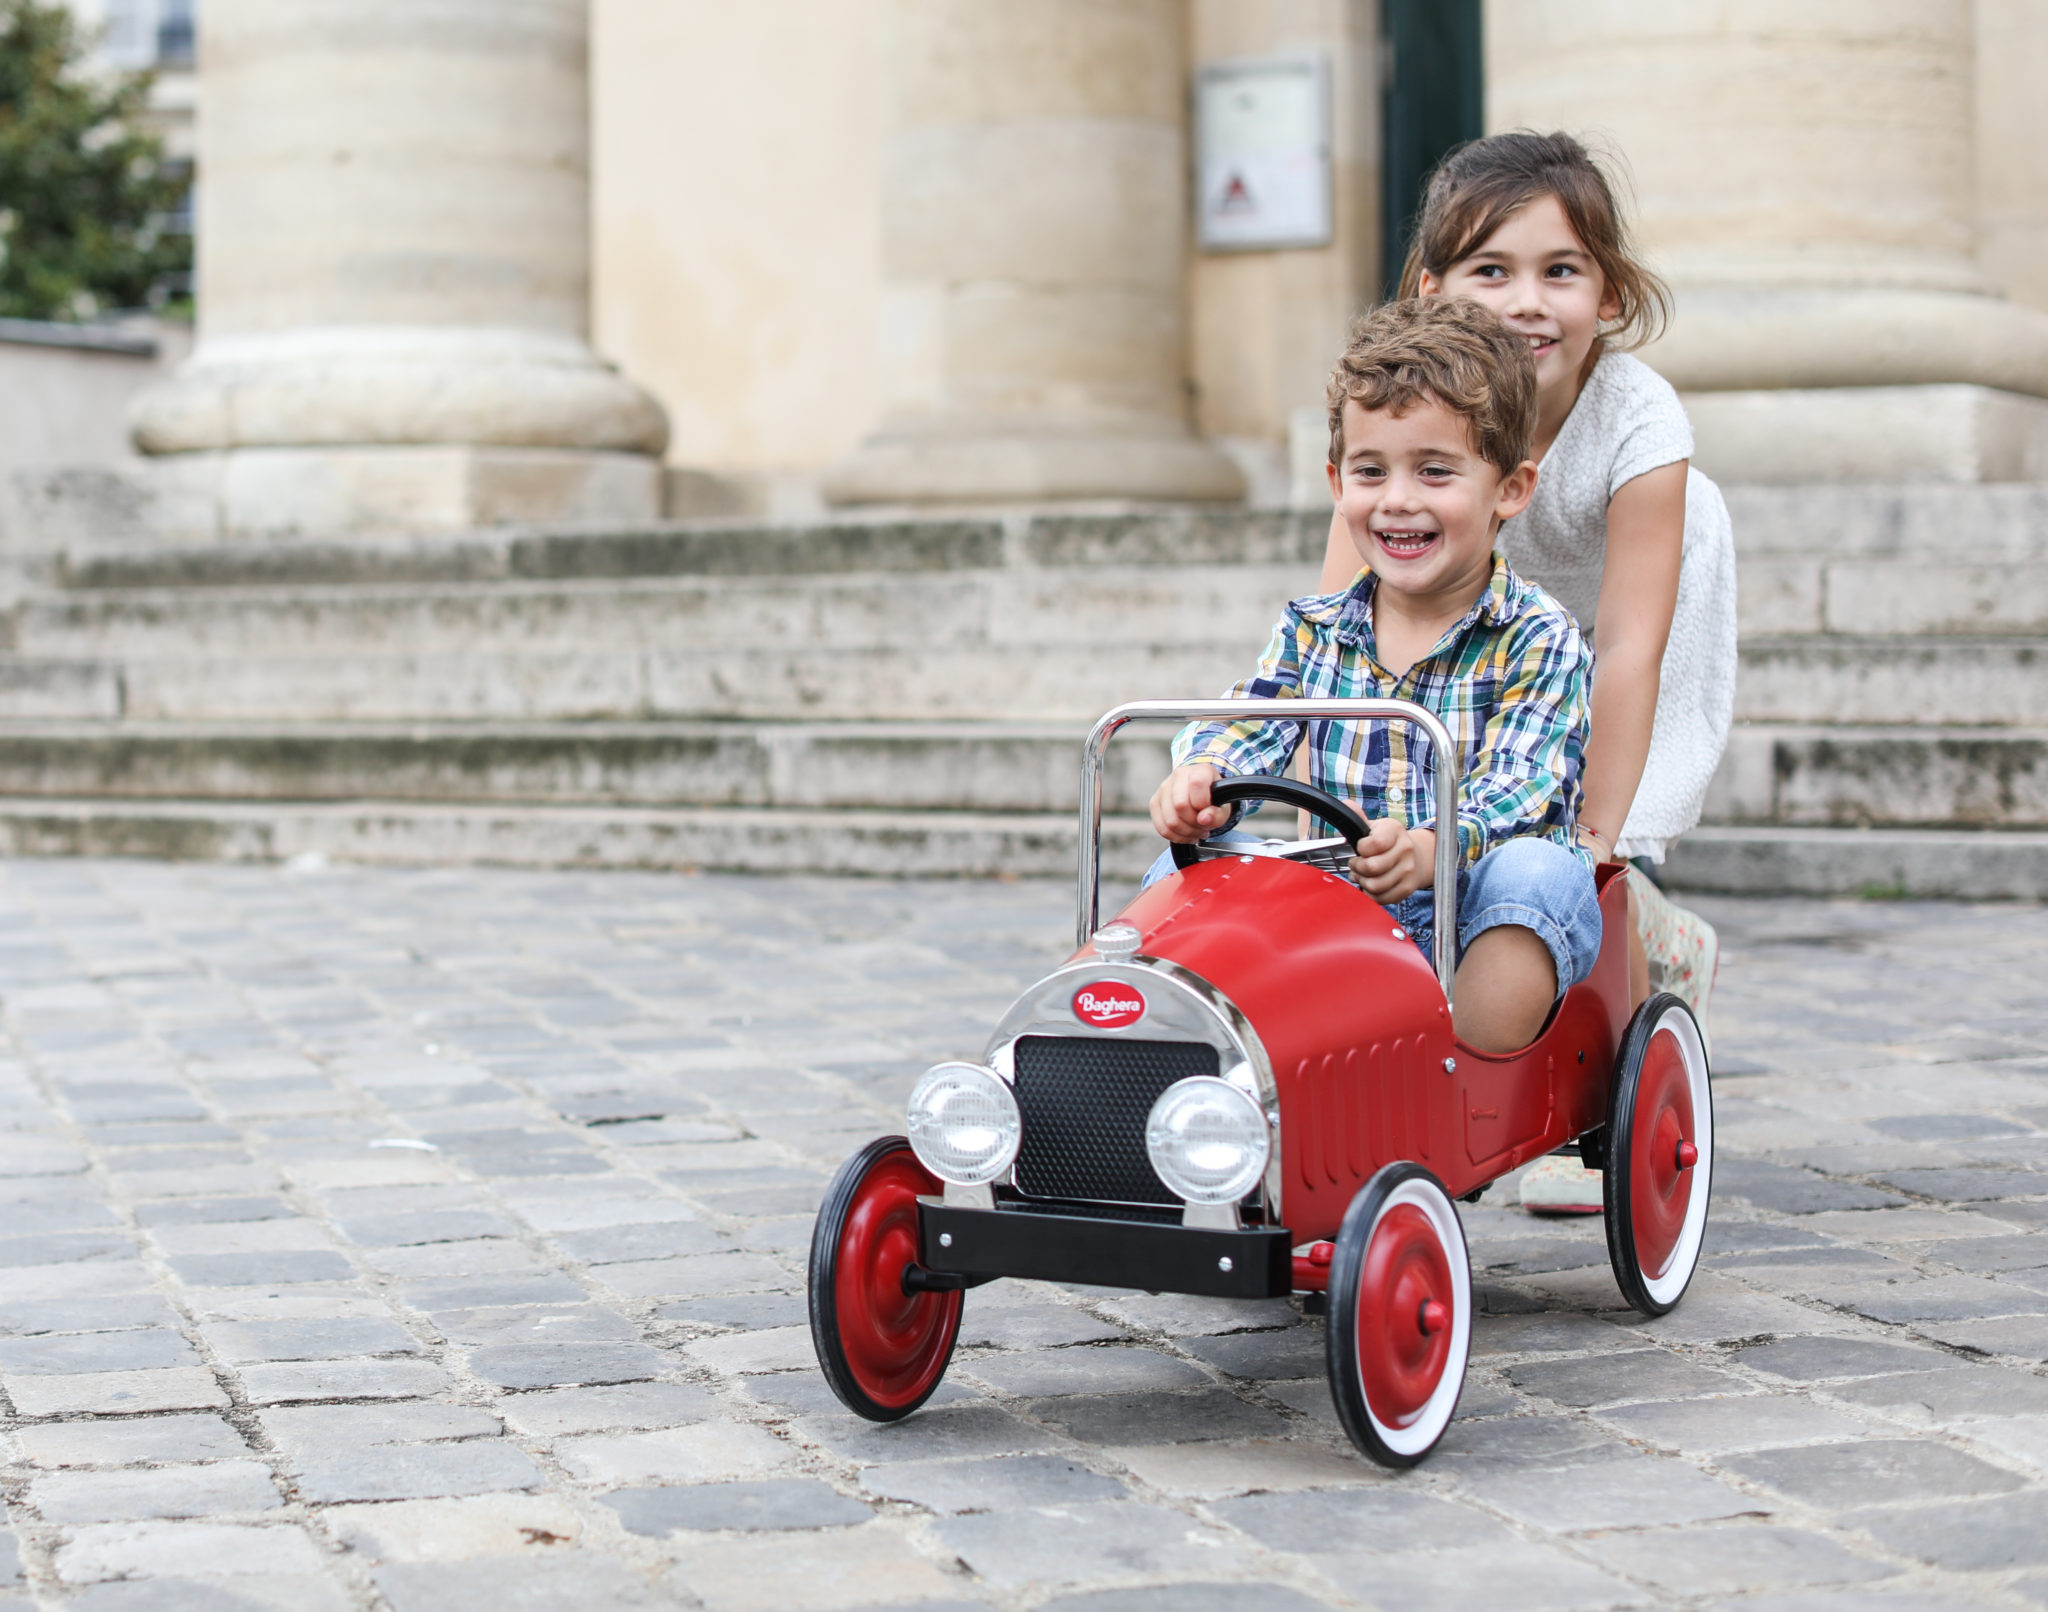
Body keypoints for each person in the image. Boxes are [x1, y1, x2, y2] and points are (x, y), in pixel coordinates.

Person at [1315, 133, 1737, 1212]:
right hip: (1462, 570)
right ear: (1432, 288)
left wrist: (1590, 839)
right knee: (1431, 783)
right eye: (1488, 271)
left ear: (1606, 291)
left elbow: (1627, 647)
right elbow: (1339, 620)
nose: (1525, 302)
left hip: (1621, 588)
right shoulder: (1407, 414)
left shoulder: (1636, 421)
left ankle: (1627, 945)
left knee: (1582, 829)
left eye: (1560, 271)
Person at [1150, 296, 1599, 1056]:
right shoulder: (1314, 628)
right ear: (1337, 481)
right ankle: (1193, 1057)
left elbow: (1525, 786)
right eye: (1371, 471)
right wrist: (1205, 775)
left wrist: (1434, 847)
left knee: (1543, 871)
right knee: (1178, 865)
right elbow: (1251, 717)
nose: (1397, 500)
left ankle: (1457, 1063)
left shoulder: (1536, 635)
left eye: (1434, 471)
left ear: (1510, 490)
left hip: (1471, 907)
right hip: (1339, 911)